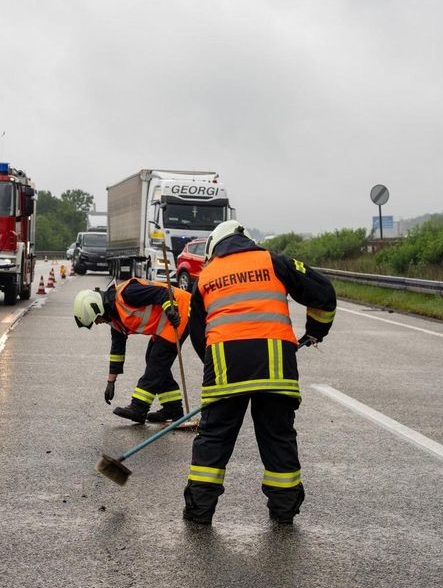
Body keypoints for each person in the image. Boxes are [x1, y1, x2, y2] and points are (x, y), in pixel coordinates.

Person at [182, 220, 336, 527]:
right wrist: (315, 332)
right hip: (276, 367)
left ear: (214, 248)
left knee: (214, 438)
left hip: (225, 368)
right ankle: (284, 511)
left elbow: (199, 336)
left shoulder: (205, 277)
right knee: (278, 437)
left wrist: (217, 369)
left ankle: (199, 512)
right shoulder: (275, 262)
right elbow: (324, 293)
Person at [72, 277, 192, 424]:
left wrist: (171, 310)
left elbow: (162, 293)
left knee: (156, 362)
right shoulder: (115, 319)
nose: (98, 323)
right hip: (165, 323)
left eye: (96, 319)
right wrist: (111, 382)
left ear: (98, 309)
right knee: (154, 361)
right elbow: (117, 351)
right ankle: (173, 409)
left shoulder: (129, 294)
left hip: (180, 311)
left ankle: (139, 407)